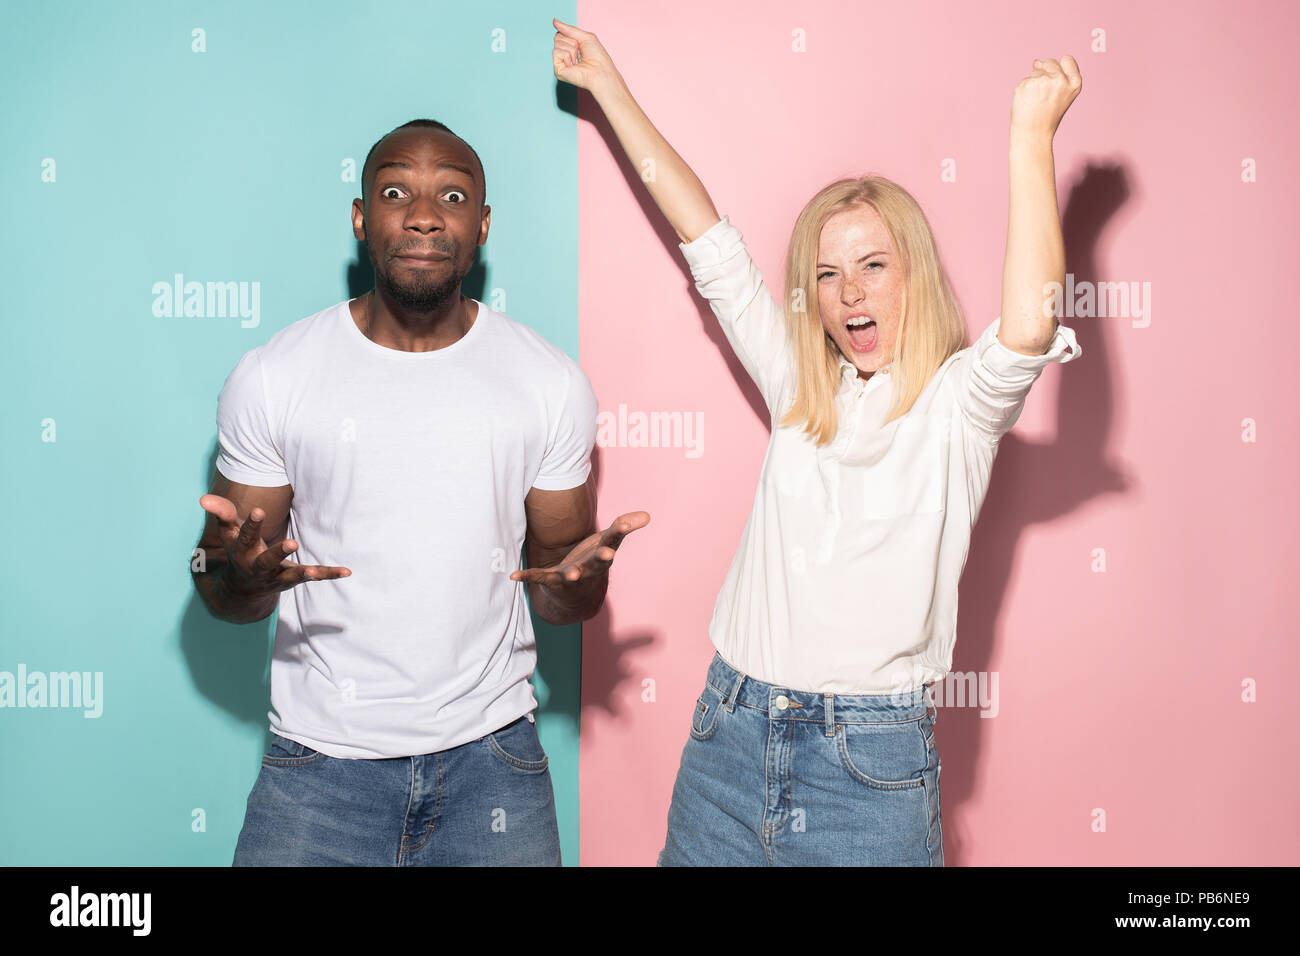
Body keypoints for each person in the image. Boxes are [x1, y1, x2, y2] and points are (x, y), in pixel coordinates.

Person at [552, 19, 1083, 866]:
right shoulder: (801, 388)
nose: (848, 293)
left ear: (914, 271)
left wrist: (1030, 137)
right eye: (827, 275)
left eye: (874, 264)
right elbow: (708, 243)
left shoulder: (960, 405)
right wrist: (608, 85)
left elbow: (1029, 323)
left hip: (867, 767)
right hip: (729, 732)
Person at [192, 118, 648, 866]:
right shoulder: (274, 377)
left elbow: (562, 593)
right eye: (397, 190)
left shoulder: (549, 384)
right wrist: (235, 573)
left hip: (492, 767)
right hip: (319, 767)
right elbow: (220, 584)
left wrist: (583, 583)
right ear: (362, 218)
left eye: (454, 195)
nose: (425, 214)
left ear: (483, 225)